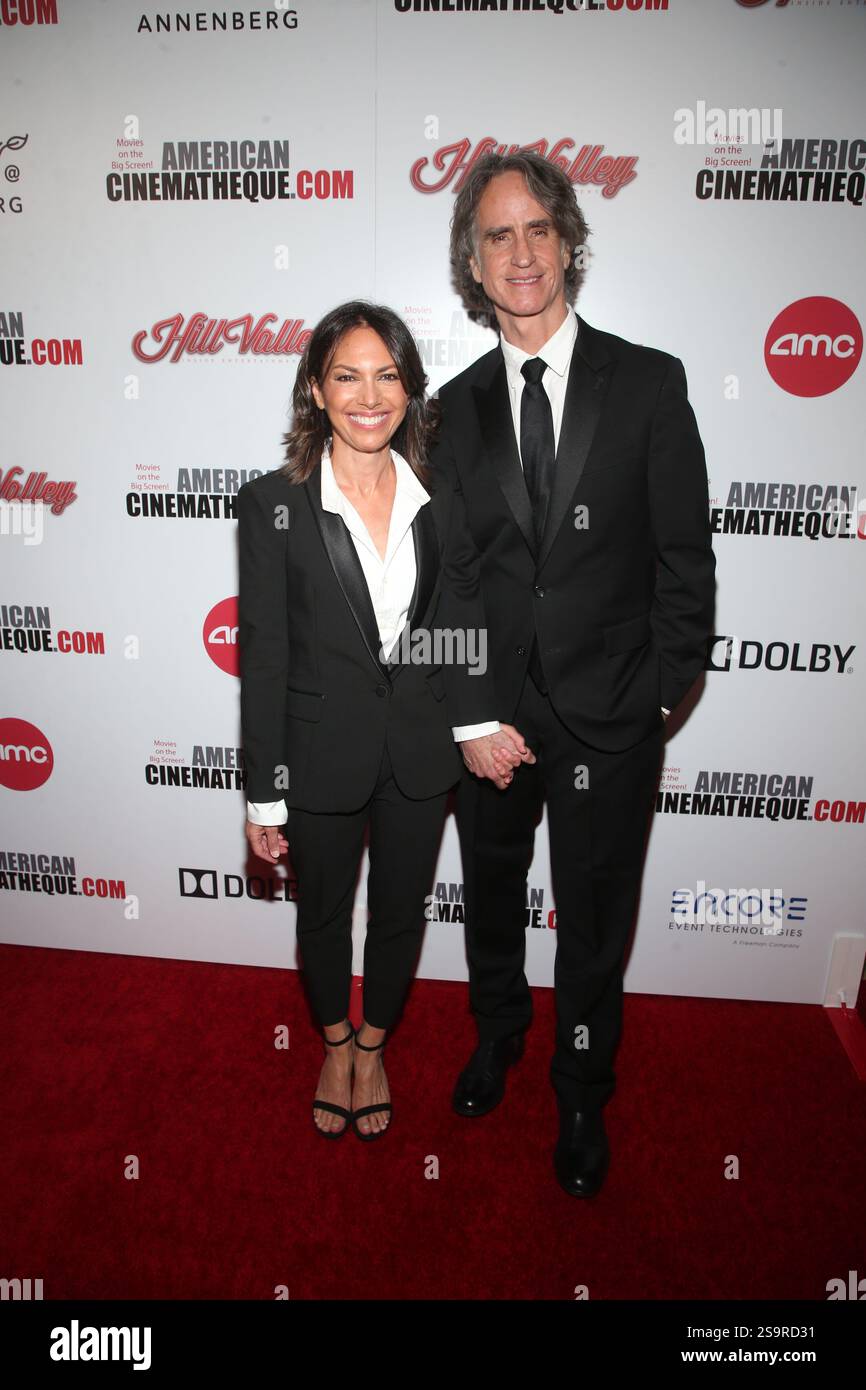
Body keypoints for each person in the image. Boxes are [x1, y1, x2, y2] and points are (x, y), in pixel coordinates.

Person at [434, 152, 716, 1196]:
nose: (521, 253)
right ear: (471, 259)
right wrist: (467, 715)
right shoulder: (449, 411)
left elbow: (684, 563)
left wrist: (653, 694)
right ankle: (498, 1036)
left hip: (611, 715)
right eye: (496, 235)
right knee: (493, 898)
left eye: (537, 230)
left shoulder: (645, 383)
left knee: (596, 920)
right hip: (496, 724)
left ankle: (582, 1086)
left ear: (566, 242)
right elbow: (444, 585)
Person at [237, 300, 530, 1141]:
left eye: (388, 376)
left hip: (418, 750)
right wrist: (265, 796)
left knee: (401, 911)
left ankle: (374, 1044)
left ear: (409, 388)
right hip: (318, 753)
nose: (369, 396)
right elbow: (263, 658)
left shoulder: (442, 495)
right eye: (347, 376)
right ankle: (333, 1045)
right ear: (317, 391)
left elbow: (463, 607)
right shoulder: (273, 506)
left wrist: (474, 720)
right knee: (323, 914)